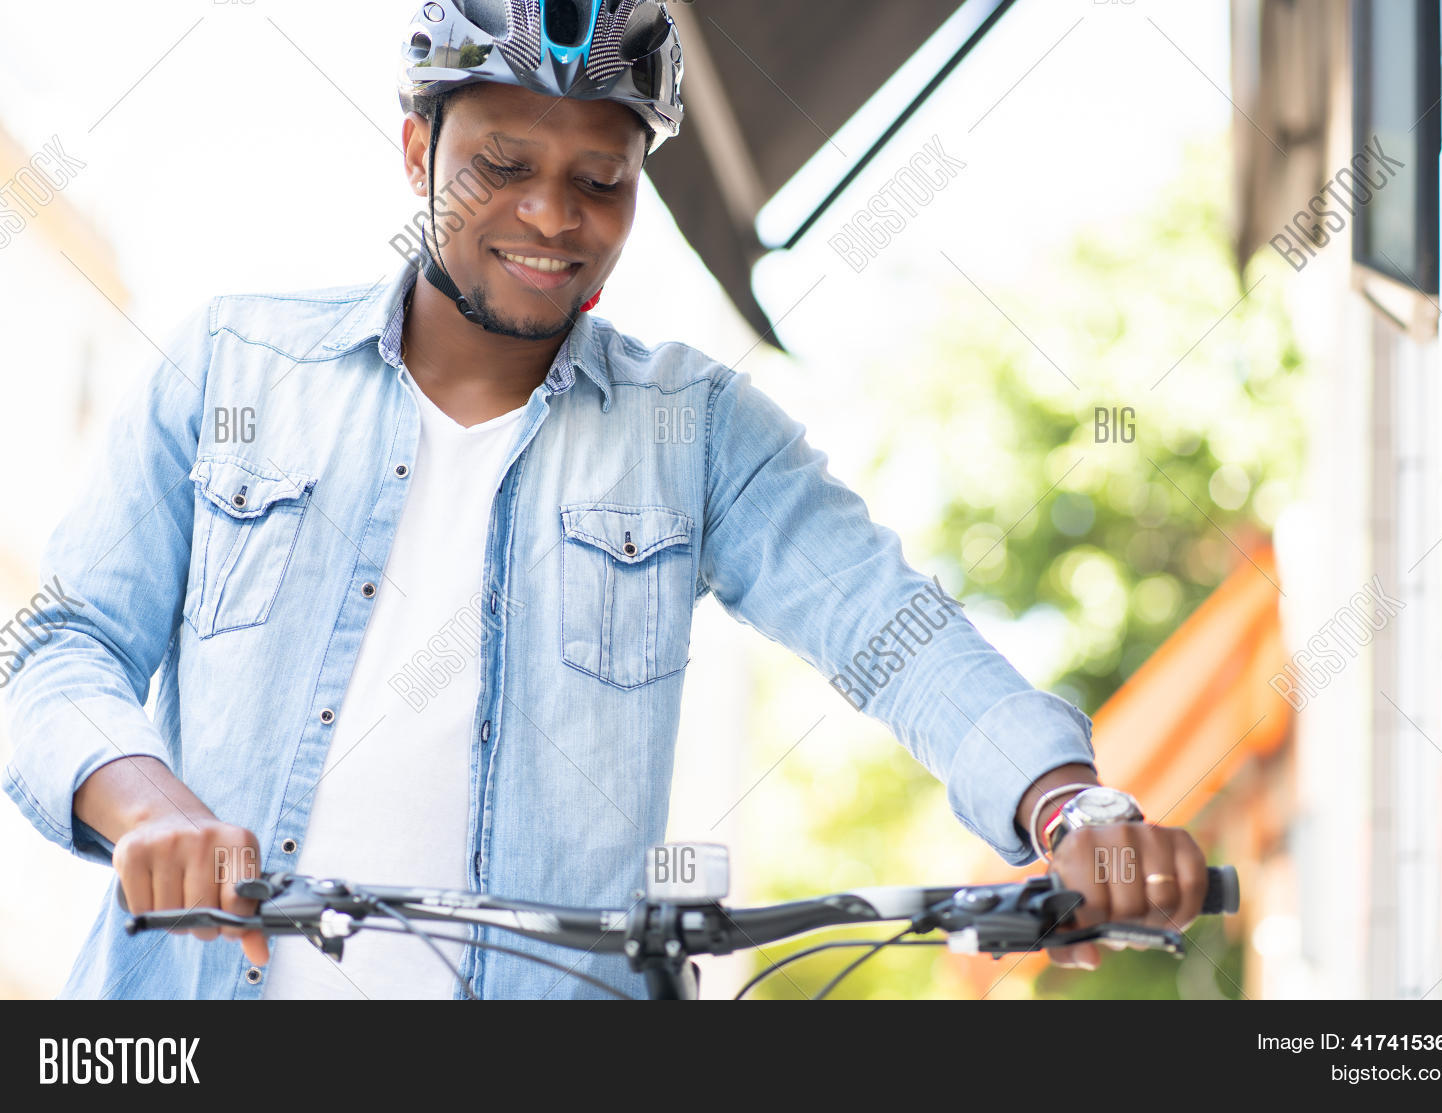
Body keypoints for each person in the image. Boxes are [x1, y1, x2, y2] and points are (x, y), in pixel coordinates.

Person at [2, 0, 1206, 999]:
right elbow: (56, 647)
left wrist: (1070, 805)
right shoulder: (234, 367)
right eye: (502, 167)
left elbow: (894, 634)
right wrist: (147, 804)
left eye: (601, 178)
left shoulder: (694, 432)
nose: (552, 216)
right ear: (418, 155)